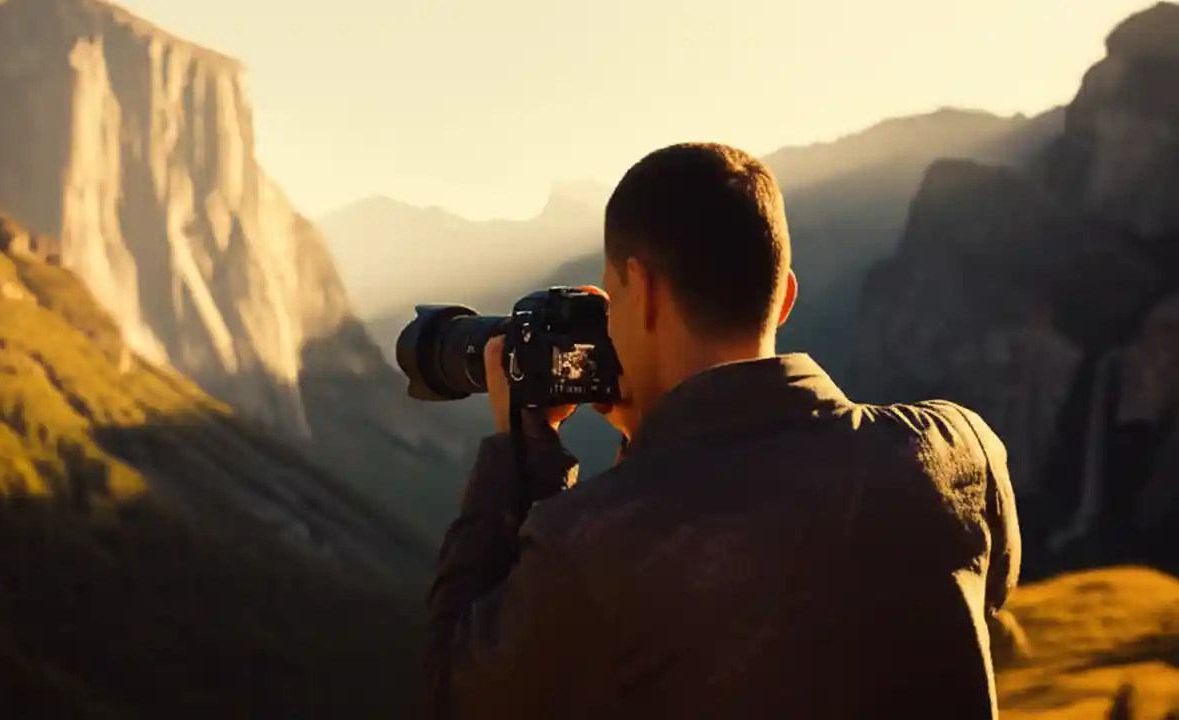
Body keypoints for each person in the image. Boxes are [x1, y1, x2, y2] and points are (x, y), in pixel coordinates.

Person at [425, 142, 1022, 719]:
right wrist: (651, 431)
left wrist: (519, 451)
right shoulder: (958, 451)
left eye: (613, 297)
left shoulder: (589, 545)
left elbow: (456, 694)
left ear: (646, 292)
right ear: (785, 297)